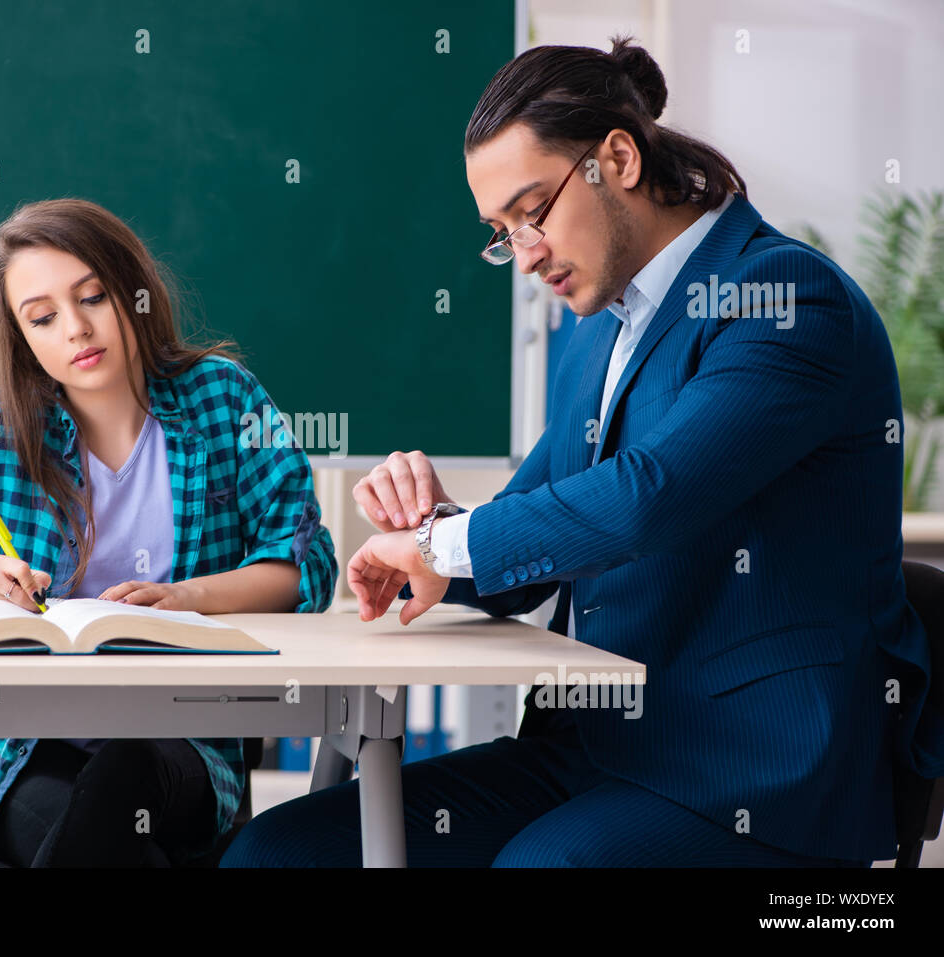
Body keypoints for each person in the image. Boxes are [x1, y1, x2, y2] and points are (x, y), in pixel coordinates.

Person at [222, 35, 943, 867]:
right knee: (280, 851)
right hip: (590, 750)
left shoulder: (783, 298)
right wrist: (434, 534)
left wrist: (439, 543)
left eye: (533, 212)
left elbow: (649, 495)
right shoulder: (596, 325)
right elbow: (537, 532)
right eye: (501, 232)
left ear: (619, 159)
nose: (524, 255)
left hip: (751, 774)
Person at [0, 198, 337, 866]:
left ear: (134, 291)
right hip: (20, 748)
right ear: (22, 335)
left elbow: (306, 561)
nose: (75, 329)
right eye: (42, 317)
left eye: (93, 296)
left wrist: (191, 598)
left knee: (119, 781)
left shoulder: (226, 398)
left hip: (174, 742)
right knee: (99, 836)